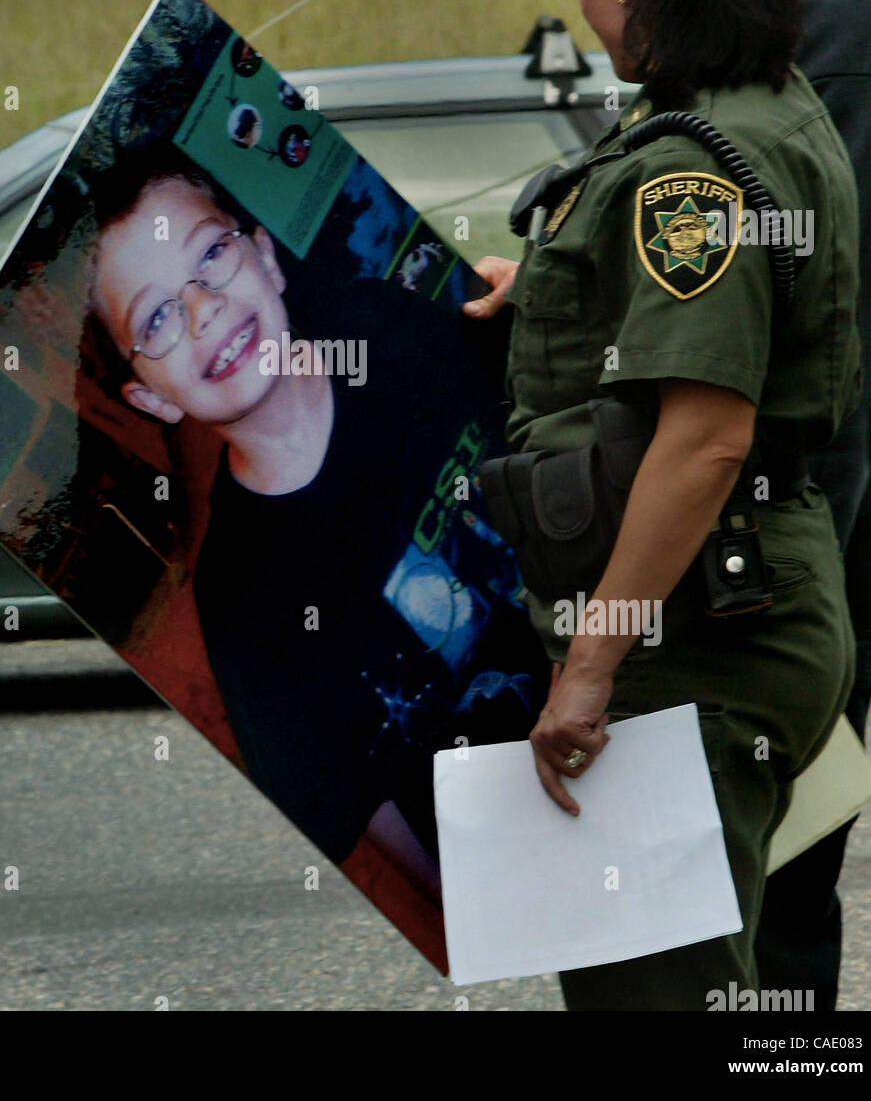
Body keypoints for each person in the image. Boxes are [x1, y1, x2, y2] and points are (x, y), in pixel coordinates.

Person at [466, 0, 860, 1009]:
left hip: (694, 635)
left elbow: (704, 435)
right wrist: (542, 291)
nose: (581, 1)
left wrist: (591, 666)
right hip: (746, 600)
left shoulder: (689, 170)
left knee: (654, 999)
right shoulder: (765, 108)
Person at [605, 0, 871, 1011]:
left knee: (753, 943)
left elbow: (837, 385)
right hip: (762, 566)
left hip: (777, 572)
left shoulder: (851, 34)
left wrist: (781, 638)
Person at [85, 156, 544, 898]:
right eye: (158, 317)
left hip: (639, 700)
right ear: (151, 400)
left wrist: (540, 309)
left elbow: (555, 421)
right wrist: (493, 908)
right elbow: (366, 813)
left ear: (264, 257)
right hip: (533, 847)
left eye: (211, 254)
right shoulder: (238, 602)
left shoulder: (389, 329)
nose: (203, 309)